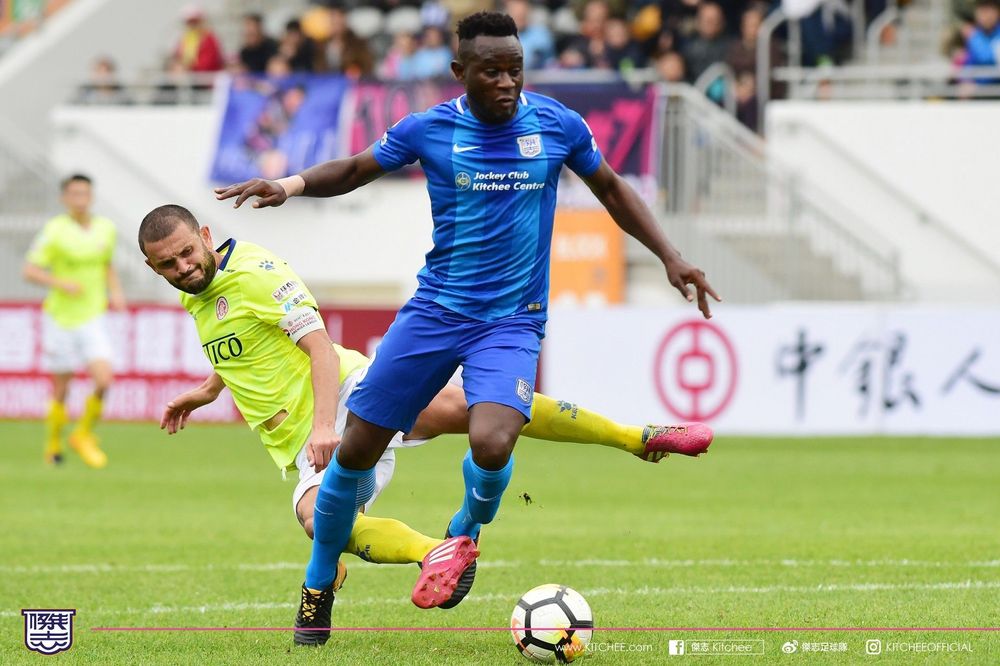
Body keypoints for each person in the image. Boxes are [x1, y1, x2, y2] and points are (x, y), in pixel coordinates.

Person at [215, 10, 719, 646]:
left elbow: (613, 189)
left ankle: (463, 534)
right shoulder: (431, 130)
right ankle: (317, 591)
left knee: (492, 439)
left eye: (515, 69)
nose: (507, 82)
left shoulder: (558, 124)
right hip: (433, 315)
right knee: (356, 452)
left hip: (511, 320)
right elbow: (354, 168)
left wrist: (671, 256)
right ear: (461, 73)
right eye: (491, 71)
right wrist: (288, 184)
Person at [138, 207, 713, 644]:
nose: (183, 267)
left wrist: (320, 427)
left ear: (206, 236)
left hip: (343, 397)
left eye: (188, 252)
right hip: (316, 428)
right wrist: (207, 390)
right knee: (332, 520)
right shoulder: (200, 292)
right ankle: (442, 549)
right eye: (168, 264)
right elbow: (239, 345)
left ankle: (636, 438)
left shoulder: (258, 273)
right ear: (153, 266)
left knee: (478, 412)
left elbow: (315, 346)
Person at [23, 174, 125, 468]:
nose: (80, 199)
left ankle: (82, 434)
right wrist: (60, 282)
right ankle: (53, 443)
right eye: (74, 194)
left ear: (91, 197)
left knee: (104, 380)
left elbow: (107, 265)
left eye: (85, 194)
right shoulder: (54, 231)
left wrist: (116, 293)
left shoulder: (106, 229)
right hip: (61, 318)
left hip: (93, 316)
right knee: (62, 389)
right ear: (64, 199)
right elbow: (30, 270)